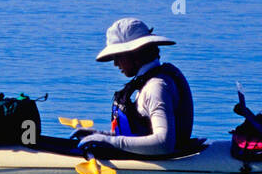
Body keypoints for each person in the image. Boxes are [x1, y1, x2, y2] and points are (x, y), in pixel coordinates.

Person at [74, 17, 194, 158]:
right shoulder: (151, 81)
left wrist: (110, 141)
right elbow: (142, 133)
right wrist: (100, 135)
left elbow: (164, 143)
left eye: (118, 57)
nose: (115, 64)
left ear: (136, 53)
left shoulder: (156, 88)